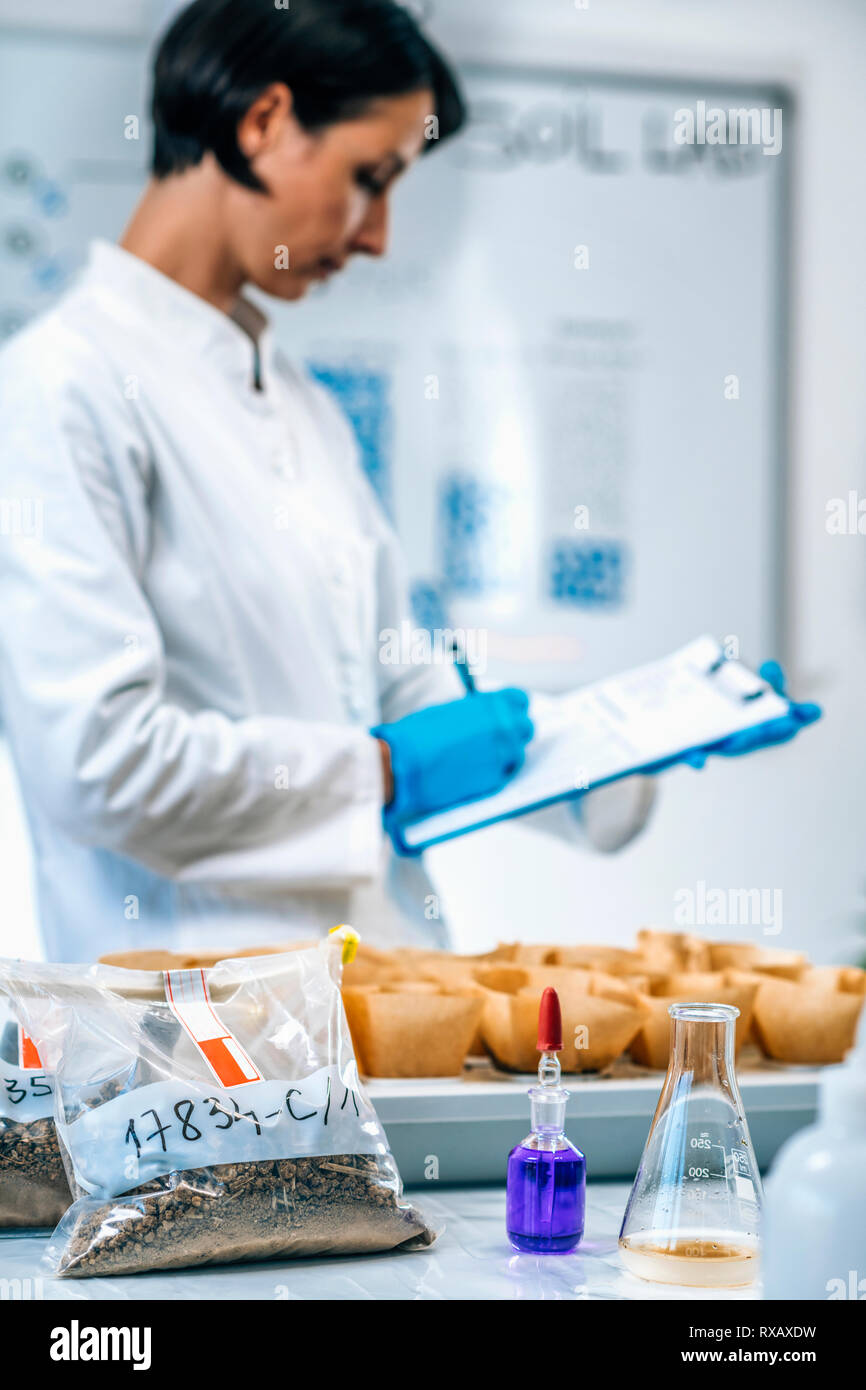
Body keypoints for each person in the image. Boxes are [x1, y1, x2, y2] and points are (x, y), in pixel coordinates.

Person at [0, 0, 812, 964]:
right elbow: (97, 766)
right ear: (262, 123)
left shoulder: (301, 406)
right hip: (196, 1057)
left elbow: (414, 698)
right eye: (368, 179)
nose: (379, 234)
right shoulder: (57, 387)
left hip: (381, 1008)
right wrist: (382, 772)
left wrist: (632, 739)